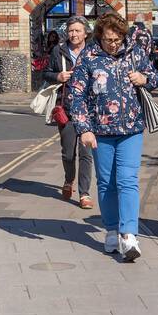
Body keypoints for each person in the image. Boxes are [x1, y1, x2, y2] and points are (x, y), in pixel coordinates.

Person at [69, 13, 158, 261]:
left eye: (117, 39)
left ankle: (129, 234)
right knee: (106, 182)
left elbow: (155, 76)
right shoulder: (88, 57)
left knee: (128, 180)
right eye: (109, 39)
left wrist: (145, 79)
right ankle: (111, 229)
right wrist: (84, 128)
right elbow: (75, 95)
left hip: (131, 128)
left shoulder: (136, 52)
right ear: (100, 36)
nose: (113, 44)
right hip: (100, 130)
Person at [43, 16, 95, 209]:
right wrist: (58, 76)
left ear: (85, 32)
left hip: (89, 109)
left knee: (86, 153)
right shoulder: (59, 50)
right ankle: (68, 179)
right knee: (68, 154)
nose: (74, 34)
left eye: (77, 30)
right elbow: (46, 73)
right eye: (71, 31)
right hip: (66, 108)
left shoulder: (93, 51)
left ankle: (85, 193)